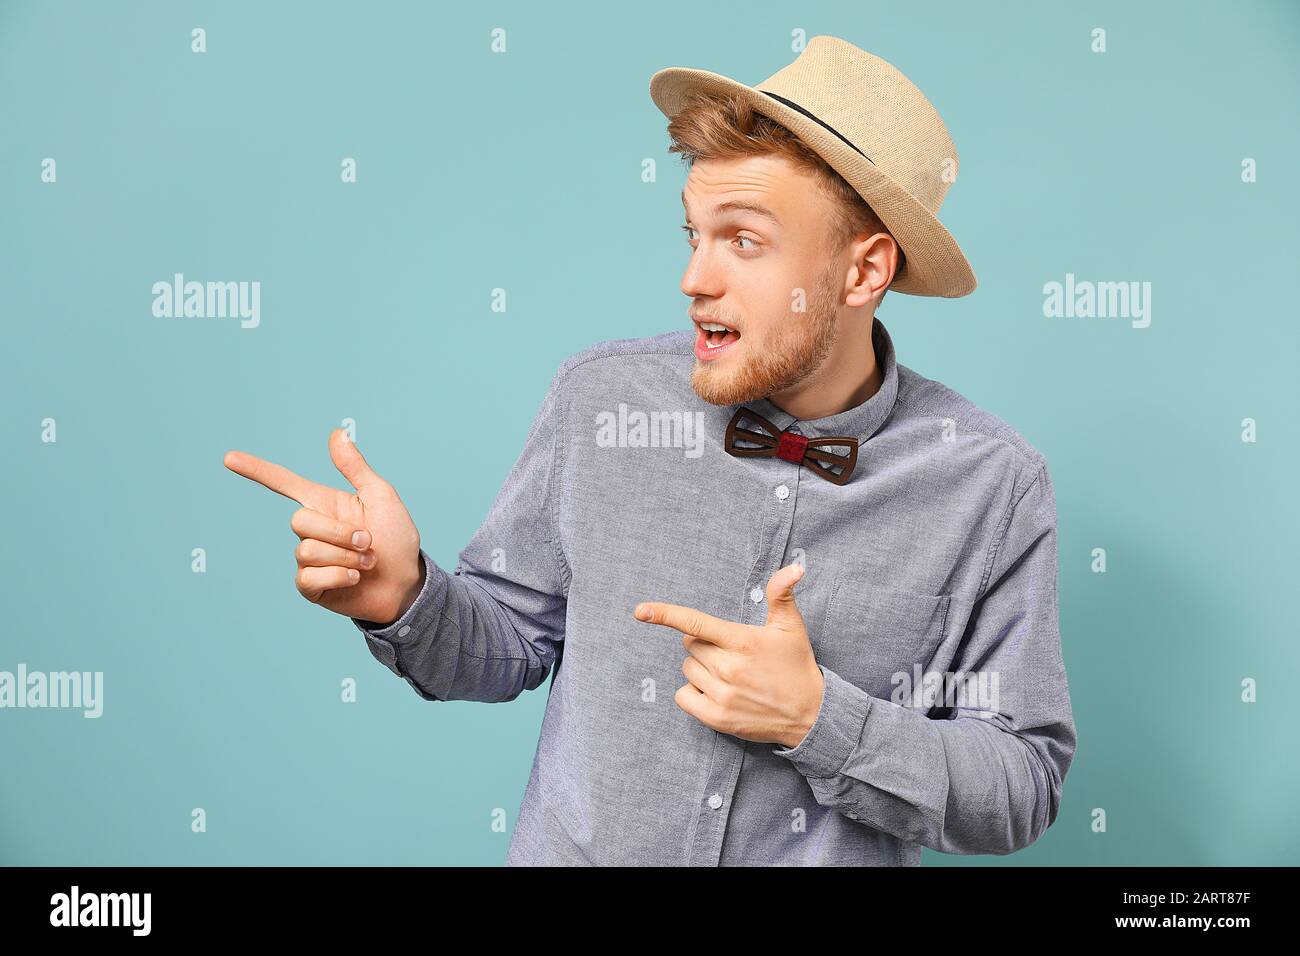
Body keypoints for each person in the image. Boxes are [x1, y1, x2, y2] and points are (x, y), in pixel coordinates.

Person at [224, 36, 1075, 866]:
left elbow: (1023, 783)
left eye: (743, 240)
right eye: (693, 234)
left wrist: (819, 719)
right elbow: (506, 645)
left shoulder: (991, 485)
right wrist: (403, 596)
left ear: (863, 272)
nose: (695, 278)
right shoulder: (601, 400)